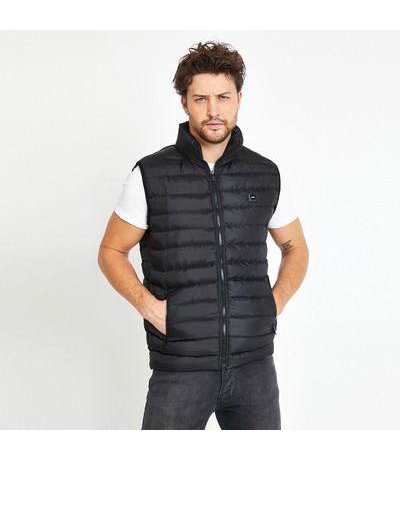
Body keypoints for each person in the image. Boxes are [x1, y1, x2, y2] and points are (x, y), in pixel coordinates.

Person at [98, 41, 309, 430]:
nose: (213, 110)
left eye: (223, 97)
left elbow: (295, 247)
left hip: (255, 369)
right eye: (201, 99)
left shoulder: (265, 174)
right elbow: (111, 249)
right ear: (185, 103)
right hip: (180, 369)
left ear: (239, 99)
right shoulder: (151, 174)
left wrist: (273, 303)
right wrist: (149, 307)